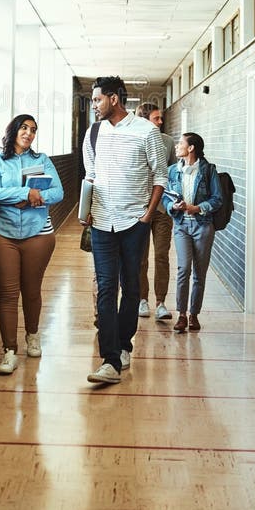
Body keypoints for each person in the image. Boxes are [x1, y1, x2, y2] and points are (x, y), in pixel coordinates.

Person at [82, 76, 168, 384]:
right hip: (103, 223)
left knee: (131, 287)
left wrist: (147, 215)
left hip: (134, 223)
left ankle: (124, 344)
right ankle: (110, 360)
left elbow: (160, 176)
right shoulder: (93, 133)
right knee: (106, 288)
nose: (94, 105)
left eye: (97, 100)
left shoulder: (146, 132)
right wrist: (85, 209)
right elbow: (90, 176)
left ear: (114, 99)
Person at [0, 114, 64, 375]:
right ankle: (9, 351)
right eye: (24, 128)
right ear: (14, 130)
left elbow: (58, 192)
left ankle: (32, 335)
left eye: (33, 130)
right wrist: (23, 193)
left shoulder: (42, 161)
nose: (29, 133)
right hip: (3, 233)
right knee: (8, 293)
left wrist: (32, 199)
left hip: (38, 233)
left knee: (31, 290)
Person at [162, 132, 222, 332]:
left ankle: (194, 315)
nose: (177, 146)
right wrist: (173, 206)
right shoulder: (172, 171)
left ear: (191, 148)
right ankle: (181, 315)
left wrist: (198, 208)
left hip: (203, 226)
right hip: (181, 226)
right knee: (183, 269)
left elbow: (217, 199)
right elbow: (165, 197)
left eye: (180, 143)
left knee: (199, 273)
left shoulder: (208, 170)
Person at [135, 102, 177, 321]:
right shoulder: (134, 140)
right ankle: (142, 299)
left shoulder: (168, 142)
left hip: (162, 209)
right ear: (144, 120)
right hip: (140, 208)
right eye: (156, 119)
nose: (161, 122)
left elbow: (173, 174)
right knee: (140, 258)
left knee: (161, 255)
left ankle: (161, 302)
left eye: (161, 119)